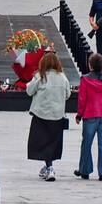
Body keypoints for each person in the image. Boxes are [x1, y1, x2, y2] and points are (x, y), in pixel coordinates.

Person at [25, 51, 71, 182]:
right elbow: (67, 94)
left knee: (41, 142)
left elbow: (29, 91)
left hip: (41, 114)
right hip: (57, 115)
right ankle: (48, 166)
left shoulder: (40, 76)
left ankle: (50, 168)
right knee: (52, 143)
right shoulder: (62, 77)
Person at [74, 54, 102, 181]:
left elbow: (82, 100)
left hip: (90, 114)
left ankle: (85, 170)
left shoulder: (85, 80)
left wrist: (79, 115)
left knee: (86, 143)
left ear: (90, 65)